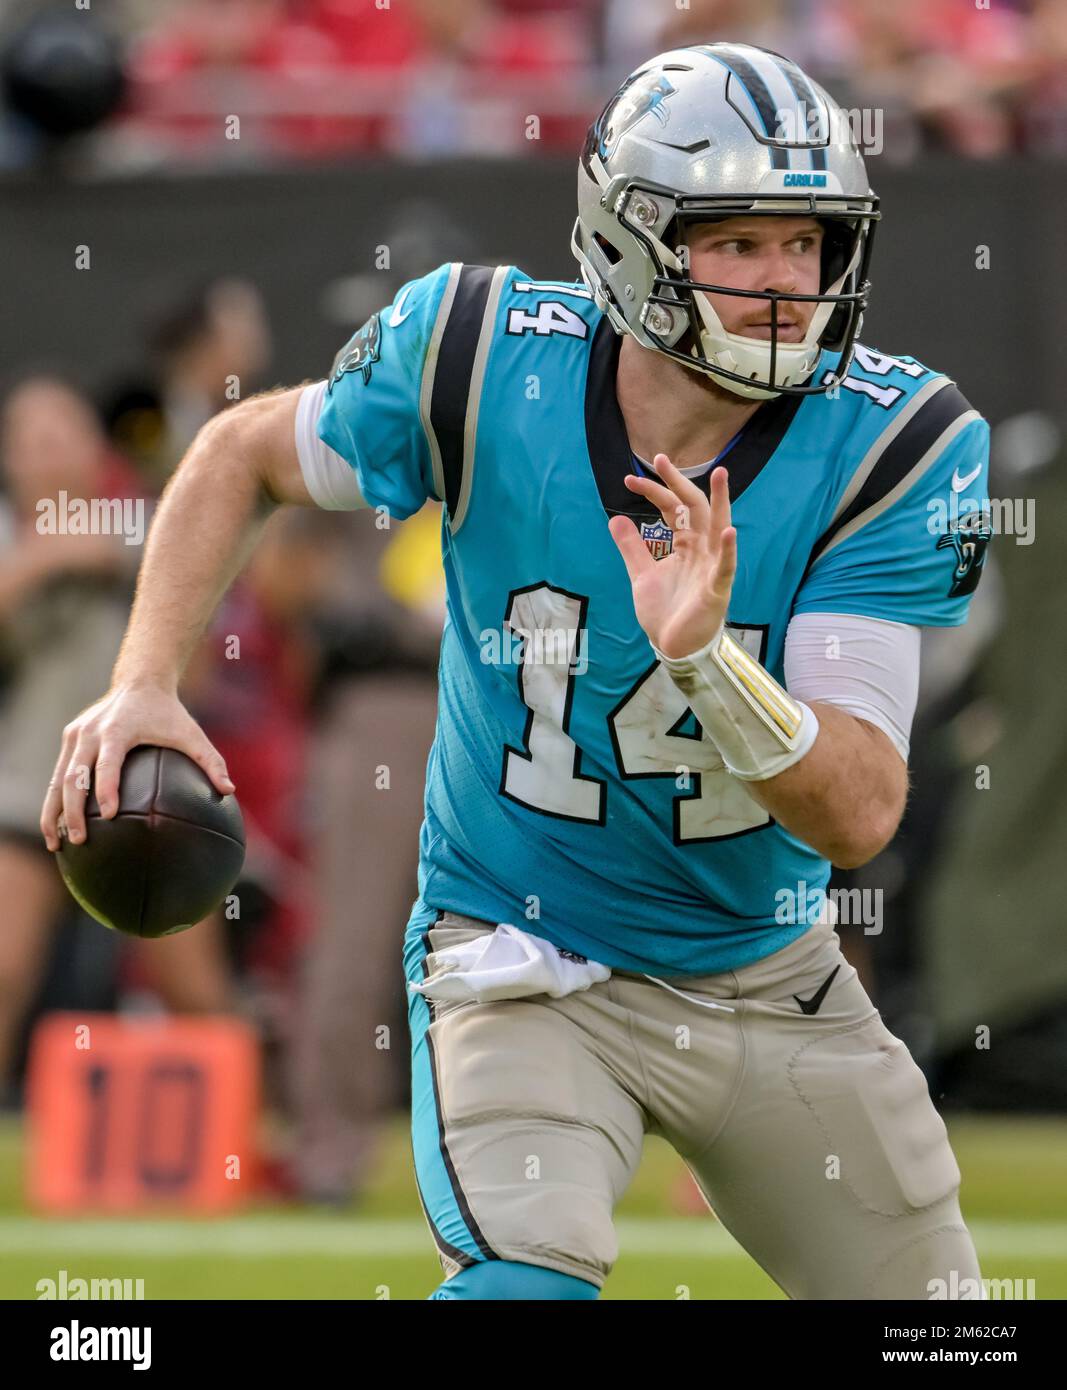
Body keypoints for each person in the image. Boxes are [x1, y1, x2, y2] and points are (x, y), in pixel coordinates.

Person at [41, 44, 992, 1299]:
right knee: (518, 1289)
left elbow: (859, 808)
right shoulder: (480, 356)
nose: (783, 284)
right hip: (525, 954)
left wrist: (707, 664)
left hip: (764, 968)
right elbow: (237, 453)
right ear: (633, 237)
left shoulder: (893, 443)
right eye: (739, 242)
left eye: (806, 244)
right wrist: (145, 677)